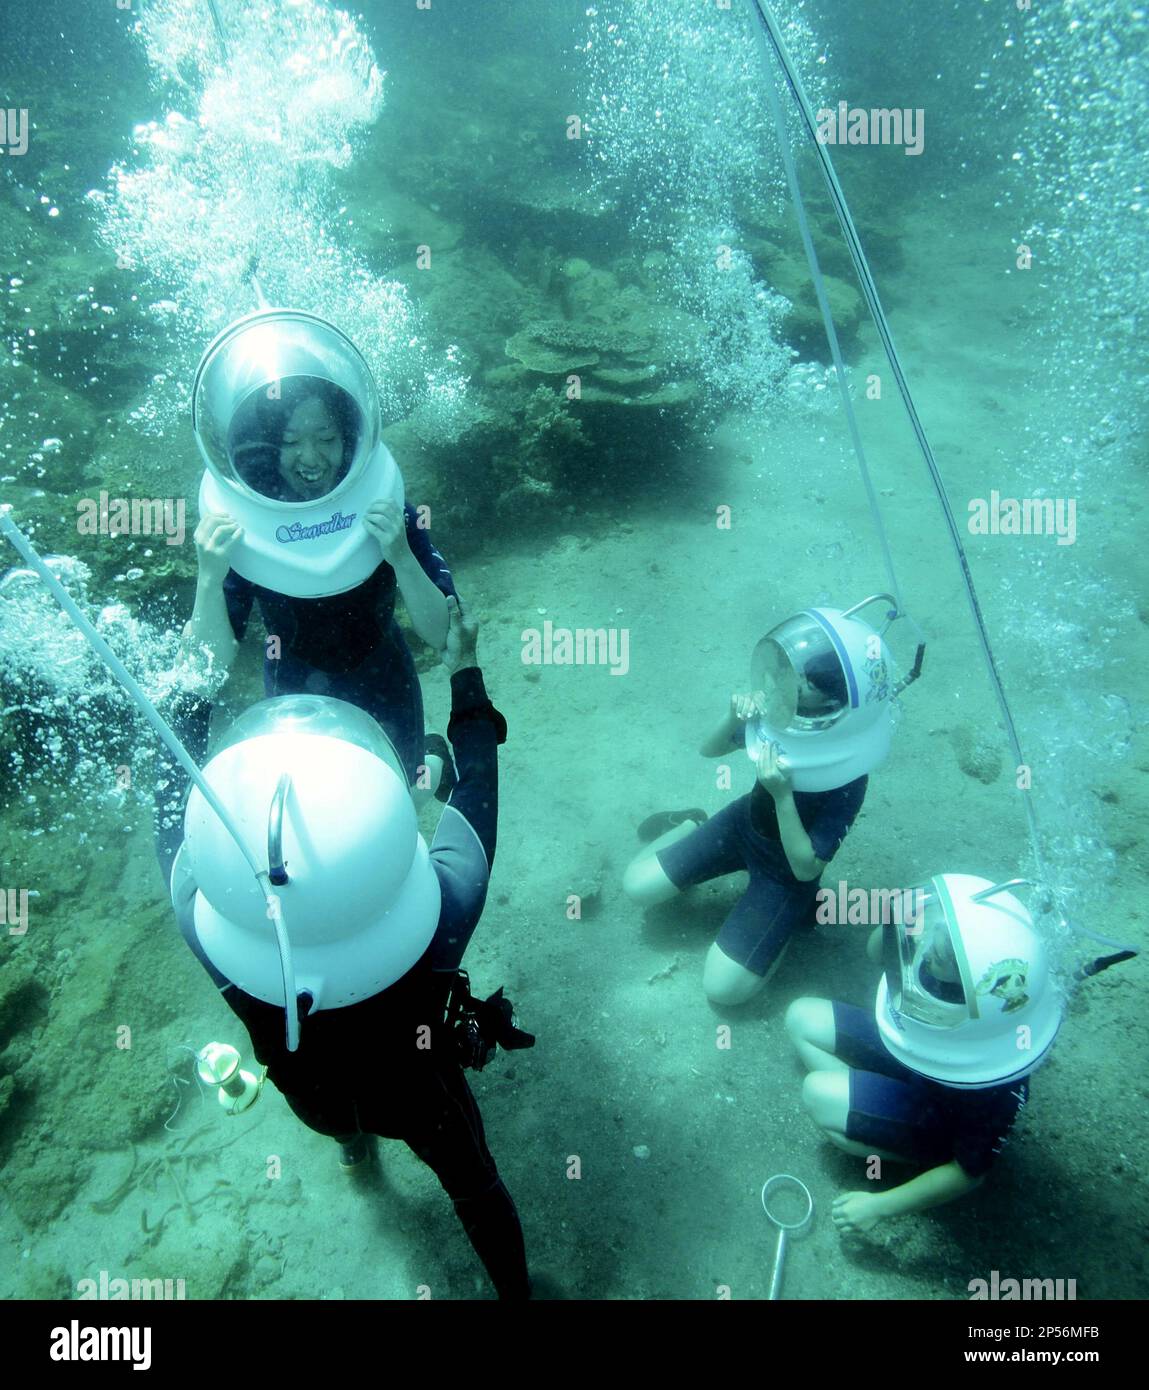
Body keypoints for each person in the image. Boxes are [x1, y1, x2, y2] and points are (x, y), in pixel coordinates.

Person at [155, 590, 539, 1299]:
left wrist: (190, 678)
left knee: (334, 1108)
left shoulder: (202, 920)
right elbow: (478, 785)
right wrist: (464, 669)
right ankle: (516, 1297)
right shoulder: (444, 915)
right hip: (422, 1099)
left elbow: (167, 800)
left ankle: (353, 1150)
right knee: (473, 1183)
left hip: (313, 1097)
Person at [185, 312, 457, 793]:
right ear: (270, 446)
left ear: (348, 437)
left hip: (385, 676)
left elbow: (443, 636)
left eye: (327, 439)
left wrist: (400, 555)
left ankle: (434, 759)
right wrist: (209, 576)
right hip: (293, 686)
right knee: (320, 803)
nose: (310, 458)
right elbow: (209, 667)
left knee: (401, 798)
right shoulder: (246, 529)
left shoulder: (384, 508)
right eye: (291, 442)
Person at [623, 601, 903, 1005]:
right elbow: (709, 749)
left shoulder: (850, 777)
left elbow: (806, 867)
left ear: (835, 708)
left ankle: (791, 917)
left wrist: (782, 796)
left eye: (804, 691)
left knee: (723, 990)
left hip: (785, 874)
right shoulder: (784, 717)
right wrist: (733, 717)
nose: (787, 692)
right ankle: (690, 824)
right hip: (742, 826)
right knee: (636, 886)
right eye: (796, 681)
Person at [784, 873, 1061, 1235]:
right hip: (911, 1054)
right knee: (801, 1017)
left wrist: (878, 1207)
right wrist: (897, 916)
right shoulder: (949, 965)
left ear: (974, 985)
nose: (929, 950)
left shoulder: (999, 1085)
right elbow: (875, 952)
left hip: (938, 1114)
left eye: (941, 953)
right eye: (938, 935)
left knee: (817, 1092)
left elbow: (971, 1174)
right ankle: (862, 1102)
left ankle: (919, 1157)